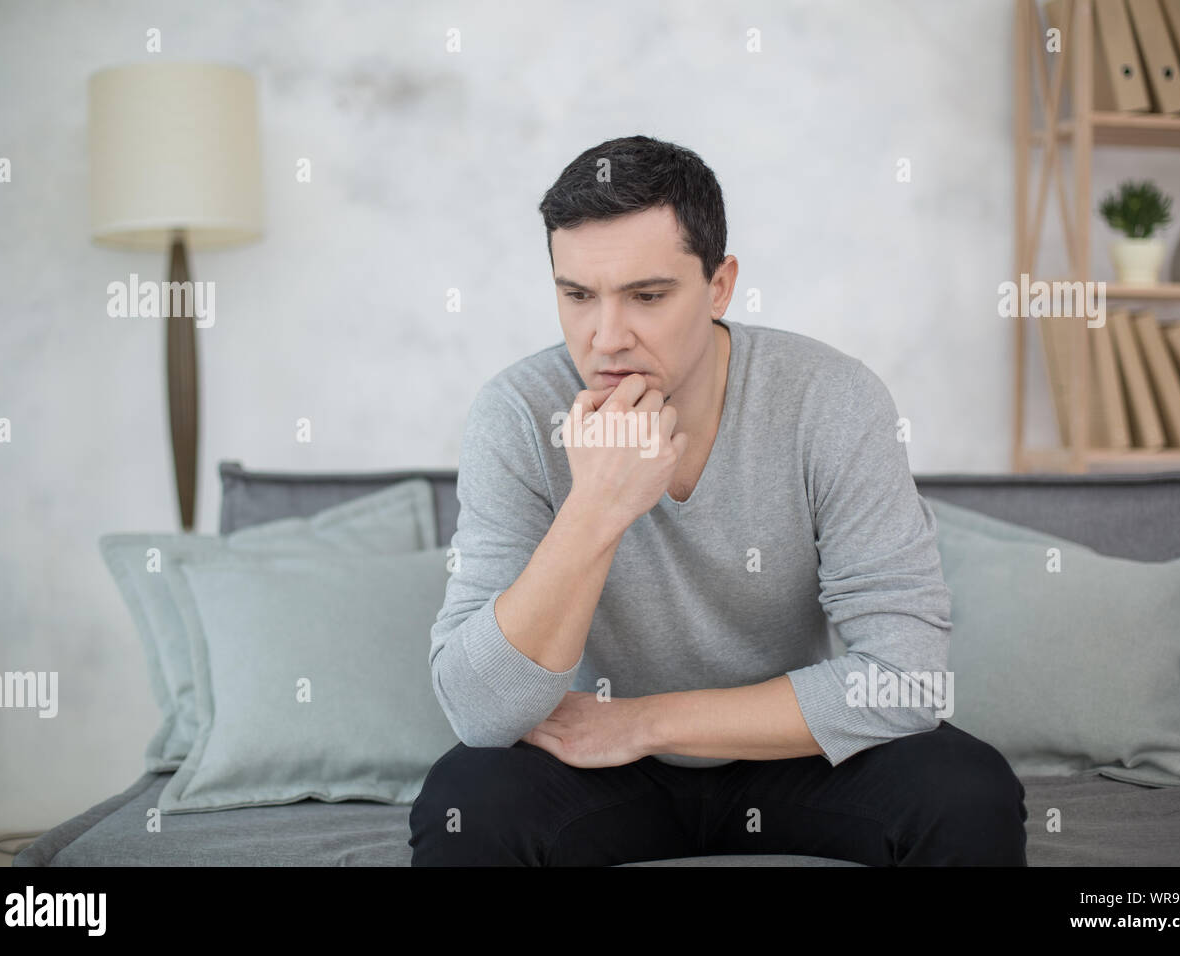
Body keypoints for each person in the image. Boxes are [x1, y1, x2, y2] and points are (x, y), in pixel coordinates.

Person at [408, 134, 1026, 866]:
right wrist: (595, 511)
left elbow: (908, 676)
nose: (606, 339)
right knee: (465, 802)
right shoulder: (515, 414)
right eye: (577, 296)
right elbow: (479, 712)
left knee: (969, 791)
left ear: (721, 285)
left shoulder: (830, 399)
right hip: (595, 770)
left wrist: (644, 723)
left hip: (783, 749)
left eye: (647, 295)